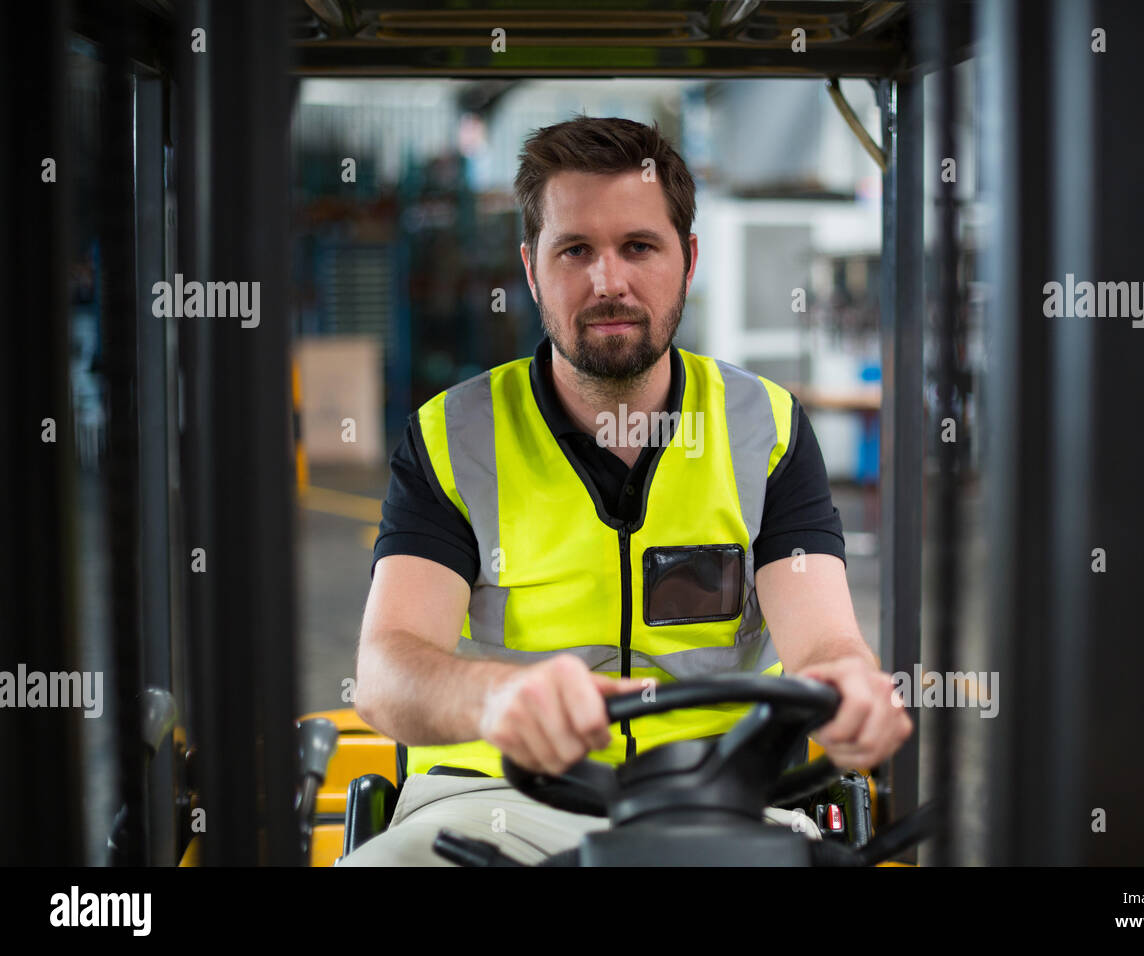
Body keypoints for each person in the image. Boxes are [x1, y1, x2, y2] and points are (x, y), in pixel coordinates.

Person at [339, 116, 912, 866]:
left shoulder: (764, 429)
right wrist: (495, 699)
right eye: (575, 250)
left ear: (688, 260)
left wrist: (850, 689)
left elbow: (825, 643)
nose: (609, 282)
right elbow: (385, 676)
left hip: (726, 800)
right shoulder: (453, 437)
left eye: (639, 247)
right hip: (496, 805)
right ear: (532, 268)